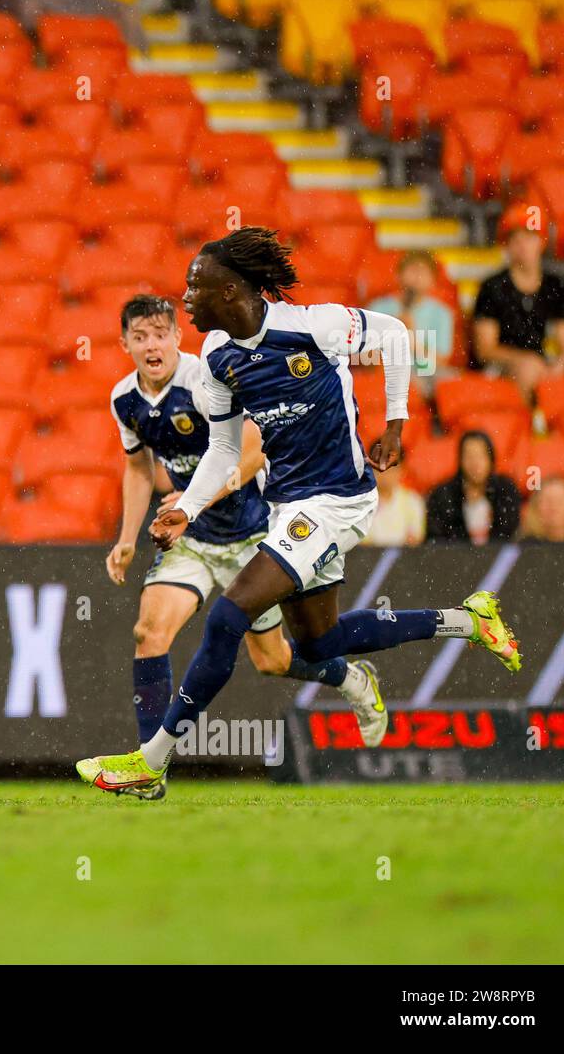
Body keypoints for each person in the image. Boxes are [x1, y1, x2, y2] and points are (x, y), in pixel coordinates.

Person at [77, 227, 522, 802]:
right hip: (288, 504)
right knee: (316, 645)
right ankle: (470, 620)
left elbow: (391, 334)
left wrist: (394, 423)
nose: (186, 298)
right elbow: (224, 450)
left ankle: (151, 762)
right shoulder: (217, 359)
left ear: (232, 292)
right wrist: (186, 507)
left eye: (196, 287)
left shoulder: (312, 327)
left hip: (337, 499)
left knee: (226, 619)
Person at [100, 294, 381, 757]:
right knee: (149, 632)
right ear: (124, 343)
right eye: (140, 336)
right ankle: (149, 764)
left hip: (252, 533)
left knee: (272, 660)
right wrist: (127, 539)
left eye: (160, 334)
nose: (152, 346)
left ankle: (350, 677)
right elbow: (138, 469)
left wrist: (195, 500)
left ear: (177, 337)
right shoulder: (124, 399)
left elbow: (253, 451)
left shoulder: (203, 380)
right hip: (191, 540)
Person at [472, 226, 564, 402]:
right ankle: (525, 425)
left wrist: (561, 362)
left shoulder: (554, 285)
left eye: (528, 238)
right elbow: (485, 350)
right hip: (499, 366)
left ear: (541, 243)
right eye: (516, 240)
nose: (522, 246)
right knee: (527, 369)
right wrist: (526, 359)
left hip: (538, 361)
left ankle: (563, 426)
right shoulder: (493, 287)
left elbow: (563, 340)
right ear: (507, 246)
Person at [367, 250, 456, 393]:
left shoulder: (442, 313)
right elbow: (367, 359)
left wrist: (411, 340)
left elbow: (440, 362)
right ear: (398, 275)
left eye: (423, 272)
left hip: (426, 377)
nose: (417, 276)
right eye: (413, 269)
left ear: (433, 281)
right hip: (387, 375)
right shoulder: (378, 308)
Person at [425, 430, 521, 544]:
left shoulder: (506, 491)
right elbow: (438, 541)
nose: (475, 463)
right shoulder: (443, 496)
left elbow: (509, 535)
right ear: (460, 459)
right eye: (469, 456)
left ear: (491, 459)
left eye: (481, 456)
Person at [362, 462, 426, 546]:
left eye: (390, 470)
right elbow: (360, 541)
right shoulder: (360, 502)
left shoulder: (413, 501)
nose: (385, 475)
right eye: (379, 470)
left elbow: (416, 539)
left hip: (404, 556)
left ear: (400, 471)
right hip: (368, 556)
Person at [522, 475, 564, 542]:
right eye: (547, 500)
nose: (554, 506)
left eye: (559, 500)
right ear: (535, 506)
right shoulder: (523, 546)